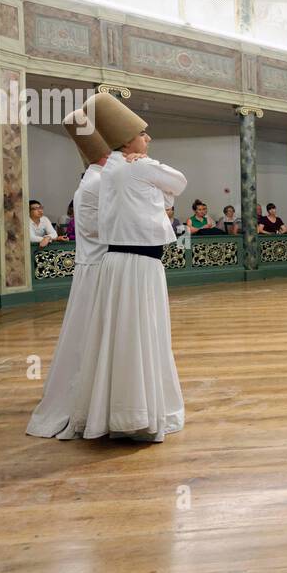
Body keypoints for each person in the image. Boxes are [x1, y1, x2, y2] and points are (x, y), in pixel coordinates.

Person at [61, 92, 188, 442]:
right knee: (141, 336)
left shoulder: (113, 171)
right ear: (128, 140)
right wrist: (149, 167)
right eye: (143, 134)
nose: (148, 139)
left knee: (122, 338)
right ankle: (136, 414)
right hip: (139, 263)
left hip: (120, 263)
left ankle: (119, 410)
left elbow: (163, 196)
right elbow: (177, 183)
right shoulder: (136, 166)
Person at [27, 110, 111, 438]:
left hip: (93, 266)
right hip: (99, 269)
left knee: (87, 334)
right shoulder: (99, 182)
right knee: (92, 334)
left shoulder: (90, 179)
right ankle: (91, 396)